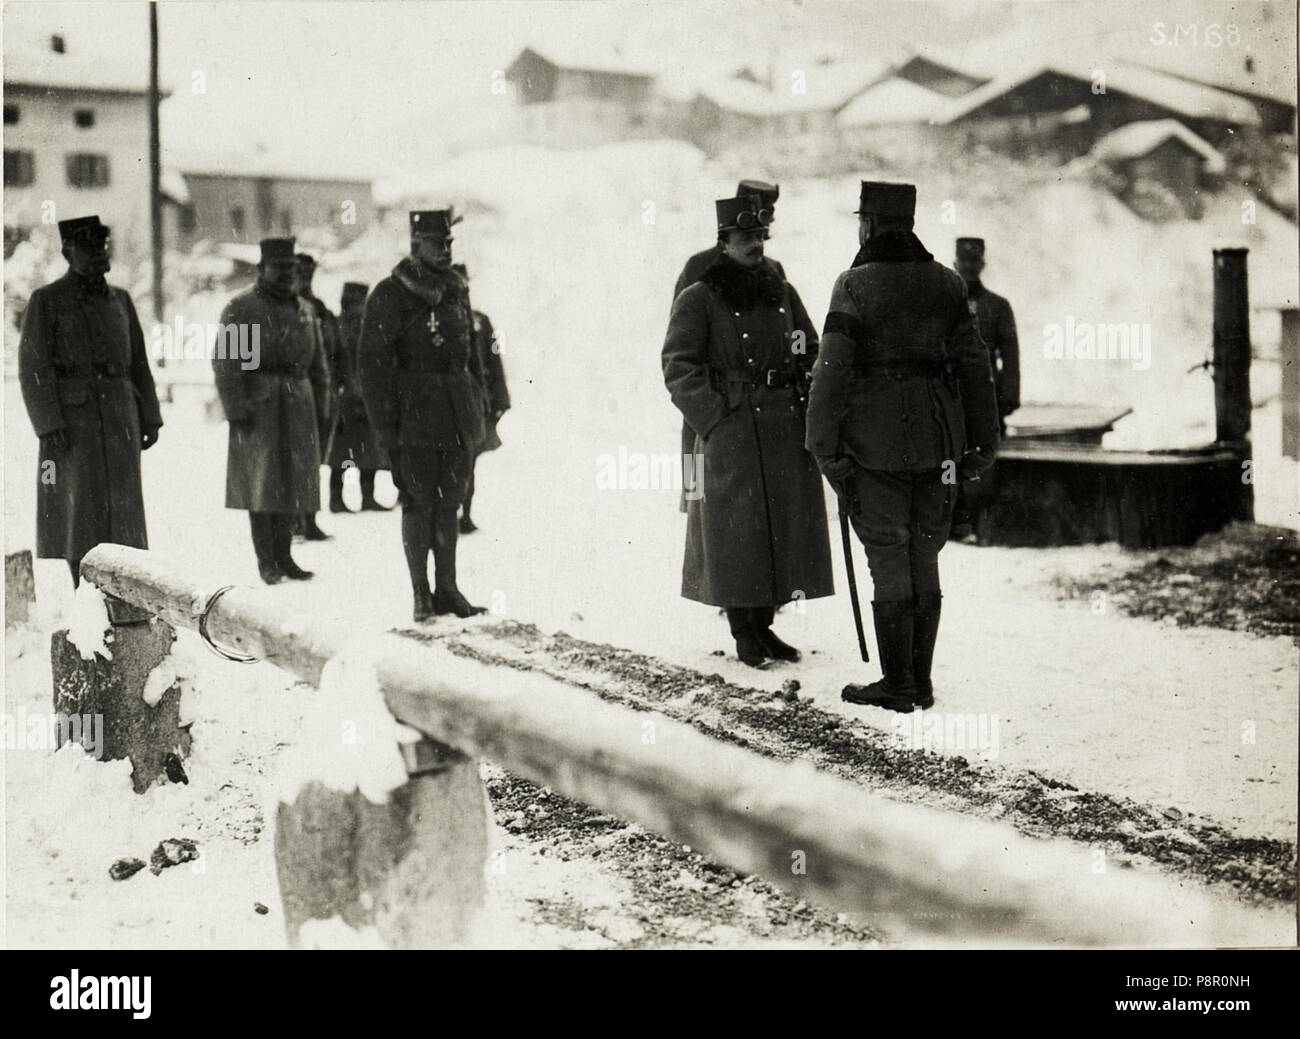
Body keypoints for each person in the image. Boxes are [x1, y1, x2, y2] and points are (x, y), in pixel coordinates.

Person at [806, 181, 1000, 711]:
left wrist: (822, 445)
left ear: (867, 224)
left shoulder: (853, 285)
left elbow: (831, 371)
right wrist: (983, 441)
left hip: (875, 446)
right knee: (924, 551)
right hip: (938, 443)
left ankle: (898, 686)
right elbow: (975, 366)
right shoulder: (947, 284)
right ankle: (921, 681)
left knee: (889, 556)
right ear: (908, 224)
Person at [662, 193, 834, 667]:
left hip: (781, 425)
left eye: (760, 236)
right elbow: (679, 366)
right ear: (725, 242)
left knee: (778, 527)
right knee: (737, 531)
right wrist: (714, 418)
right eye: (745, 237)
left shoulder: (781, 290)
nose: (756, 244)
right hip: (732, 429)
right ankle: (743, 630)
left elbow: (808, 342)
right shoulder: (700, 296)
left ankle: (765, 626)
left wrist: (805, 385)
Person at [18, 215, 162, 588]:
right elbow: (34, 368)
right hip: (73, 423)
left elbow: (139, 363)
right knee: (79, 511)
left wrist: (149, 415)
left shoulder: (121, 300)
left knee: (125, 509)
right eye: (88, 248)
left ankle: (127, 593)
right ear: (68, 252)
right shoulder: (47, 300)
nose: (98, 254)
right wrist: (49, 424)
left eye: (101, 246)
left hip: (120, 418)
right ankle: (88, 597)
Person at [358, 209, 488, 622]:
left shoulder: (455, 289)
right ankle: (421, 594)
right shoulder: (389, 294)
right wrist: (386, 430)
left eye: (449, 243)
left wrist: (478, 405)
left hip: (456, 413)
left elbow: (471, 355)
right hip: (413, 417)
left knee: (449, 503)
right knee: (418, 503)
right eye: (437, 243)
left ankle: (447, 589)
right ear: (415, 245)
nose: (446, 250)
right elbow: (373, 369)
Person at [212, 237, 330, 584]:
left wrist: (321, 405)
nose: (285, 275)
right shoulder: (244, 308)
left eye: (290, 268)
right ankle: (267, 561)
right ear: (262, 269)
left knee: (294, 483)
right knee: (262, 486)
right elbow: (229, 363)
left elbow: (318, 364)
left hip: (299, 403)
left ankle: (286, 556)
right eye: (278, 268)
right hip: (259, 407)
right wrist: (236, 408)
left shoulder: (304, 309)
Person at [670, 179, 783, 514]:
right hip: (712, 397)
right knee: (704, 503)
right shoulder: (697, 267)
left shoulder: (773, 271)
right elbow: (681, 345)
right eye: (765, 213)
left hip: (754, 407)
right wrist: (712, 407)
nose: (770, 223)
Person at [951, 236, 1020, 540]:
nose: (968, 267)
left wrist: (1008, 398)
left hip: (985, 397)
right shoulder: (944, 303)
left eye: (973, 262)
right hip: (951, 395)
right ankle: (955, 522)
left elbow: (1011, 355)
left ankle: (981, 526)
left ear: (982, 265)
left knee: (984, 460)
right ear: (955, 263)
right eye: (963, 262)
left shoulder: (997, 306)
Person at [451, 263, 510, 534]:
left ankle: (466, 512)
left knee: (470, 460)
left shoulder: (480, 321)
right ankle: (449, 514)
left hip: (476, 403)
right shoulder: (443, 320)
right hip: (449, 403)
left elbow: (494, 362)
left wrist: (500, 400)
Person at [327, 281, 391, 512]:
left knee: (349, 453)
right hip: (354, 397)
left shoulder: (341, 325)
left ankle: (343, 498)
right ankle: (351, 498)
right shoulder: (358, 327)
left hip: (352, 396)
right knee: (359, 452)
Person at [292, 252, 337, 540]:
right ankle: (294, 520)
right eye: (301, 274)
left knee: (314, 458)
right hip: (294, 391)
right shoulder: (291, 309)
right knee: (294, 460)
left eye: (309, 274)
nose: (305, 280)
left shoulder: (318, 309)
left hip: (320, 391)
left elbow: (334, 347)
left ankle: (309, 517)